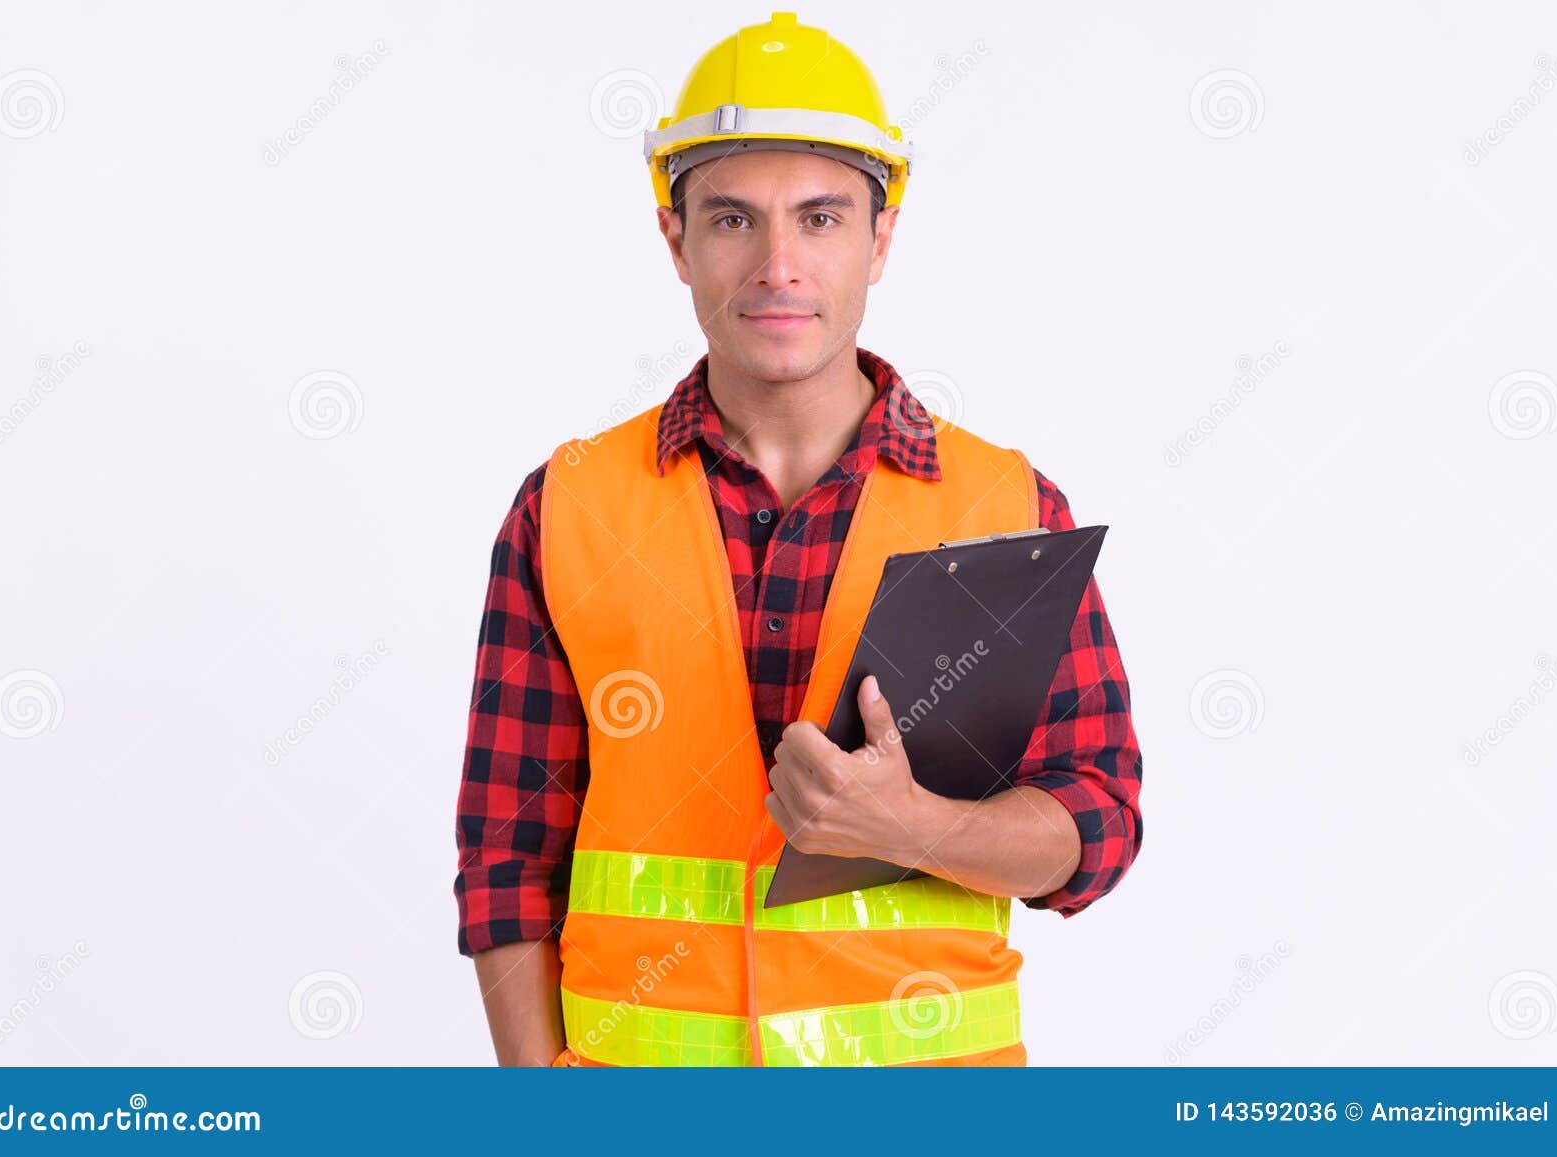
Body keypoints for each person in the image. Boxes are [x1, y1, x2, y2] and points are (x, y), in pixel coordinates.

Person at [454, 10, 1143, 1066]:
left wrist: (917, 828)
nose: (778, 264)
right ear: (674, 239)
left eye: (819, 219)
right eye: (733, 219)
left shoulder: (1007, 506)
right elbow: (507, 852)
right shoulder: (570, 505)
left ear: (882, 237)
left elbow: (1094, 823)